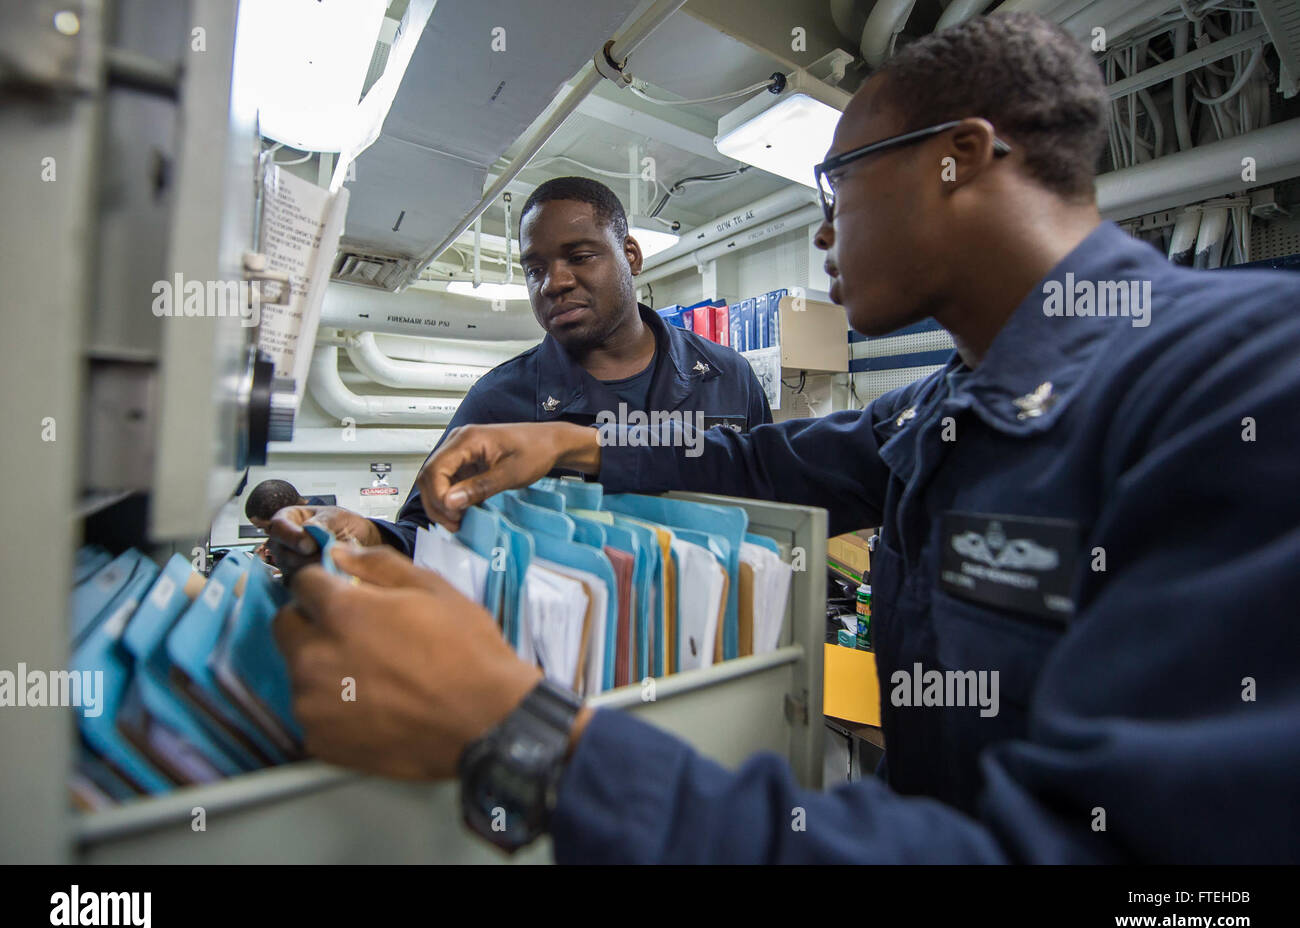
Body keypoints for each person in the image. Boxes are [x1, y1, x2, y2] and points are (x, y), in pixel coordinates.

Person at [271, 13, 1300, 862]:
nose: (819, 230)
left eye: (835, 182)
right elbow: (762, 463)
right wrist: (569, 447)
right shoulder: (944, 405)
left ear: (961, 158)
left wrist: (535, 738)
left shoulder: (1244, 374)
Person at [270, 176, 771, 558]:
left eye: (579, 256)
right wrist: (370, 534)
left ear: (631, 256)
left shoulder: (728, 377)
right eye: (535, 269)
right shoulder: (500, 400)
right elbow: (430, 531)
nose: (554, 283)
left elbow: (772, 514)